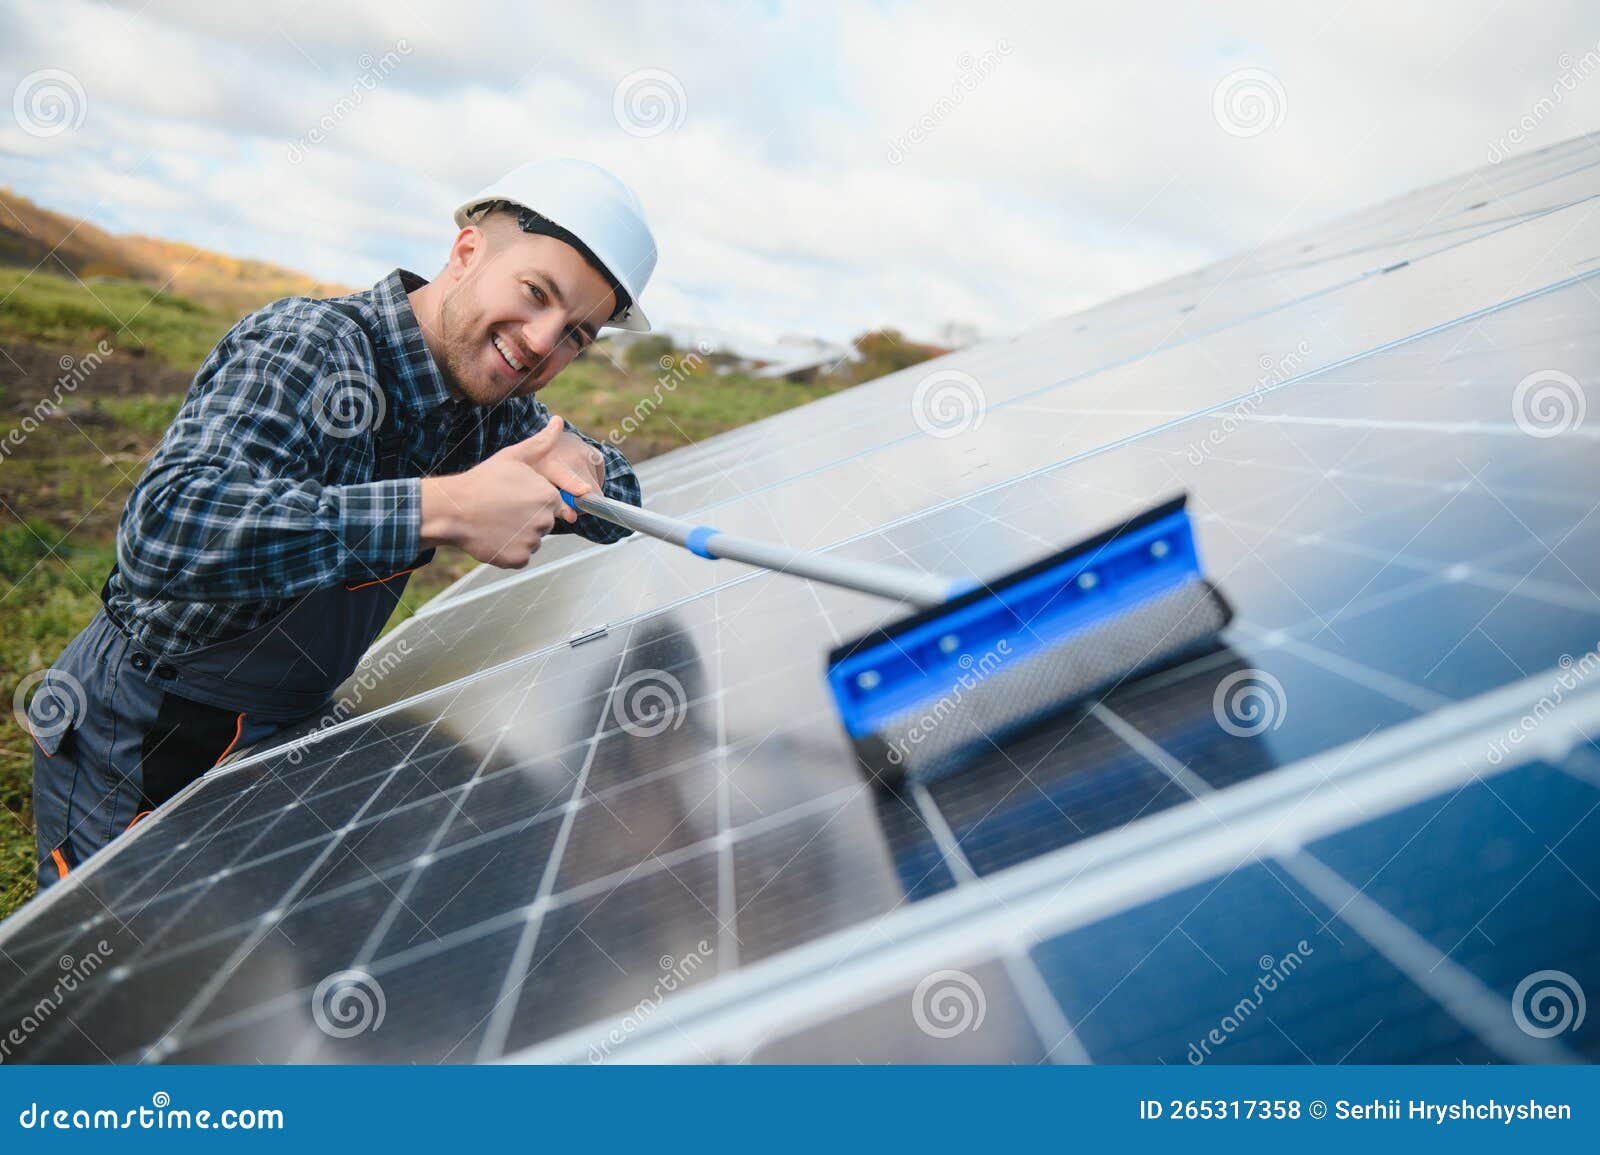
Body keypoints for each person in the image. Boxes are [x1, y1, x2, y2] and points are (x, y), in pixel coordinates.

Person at [26, 158, 657, 891]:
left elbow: (624, 508)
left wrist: (594, 465)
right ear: (466, 253)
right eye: (536, 293)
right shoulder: (311, 346)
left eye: (577, 334)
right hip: (143, 735)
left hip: (283, 729)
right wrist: (444, 507)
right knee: (106, 974)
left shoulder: (492, 410)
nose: (545, 343)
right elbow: (166, 530)